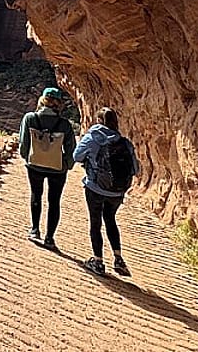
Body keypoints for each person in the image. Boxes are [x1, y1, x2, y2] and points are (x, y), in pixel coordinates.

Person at [73, 107, 141, 277]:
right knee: (110, 219)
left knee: (95, 223)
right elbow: (135, 169)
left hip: (95, 187)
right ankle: (118, 258)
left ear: (98, 120)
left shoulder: (92, 137)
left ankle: (98, 261)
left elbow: (76, 156)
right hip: (117, 191)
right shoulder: (124, 142)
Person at [18, 86, 76, 249]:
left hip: (35, 165)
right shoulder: (65, 124)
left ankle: (35, 230)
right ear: (58, 103)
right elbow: (71, 150)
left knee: (36, 195)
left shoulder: (30, 118)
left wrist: (27, 158)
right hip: (57, 169)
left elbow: (23, 144)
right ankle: (49, 238)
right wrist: (65, 165)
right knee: (54, 201)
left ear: (42, 100)